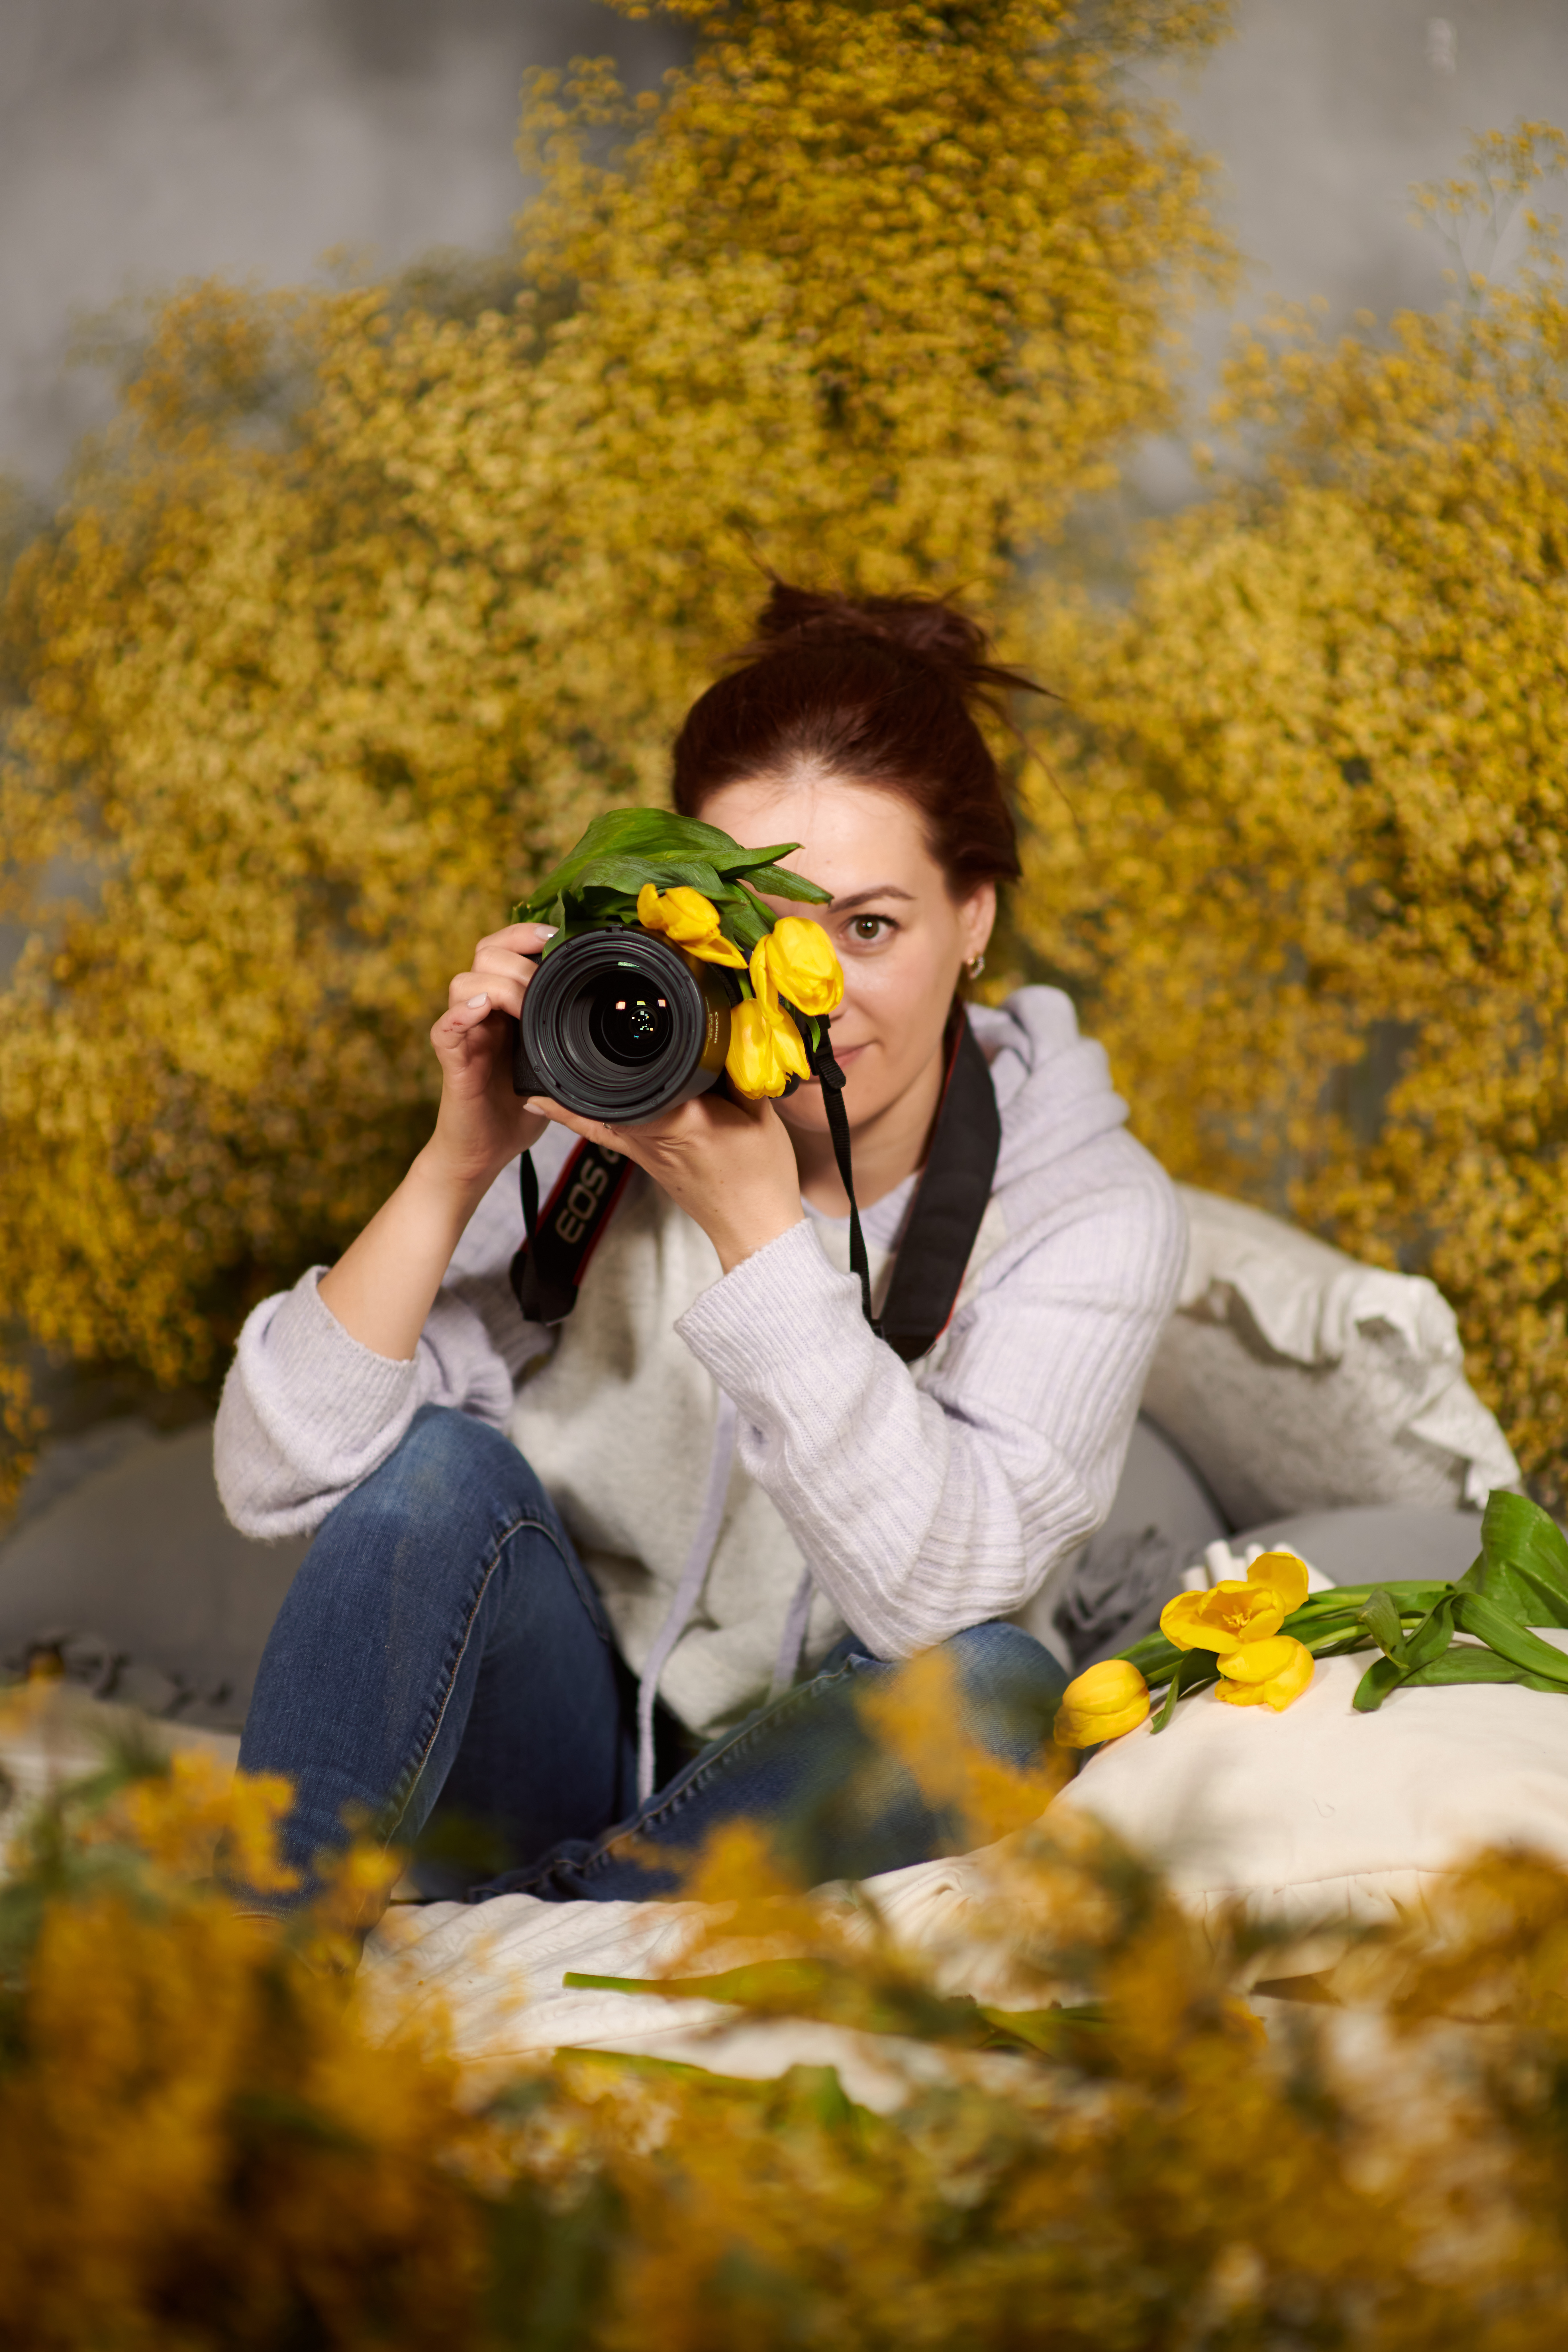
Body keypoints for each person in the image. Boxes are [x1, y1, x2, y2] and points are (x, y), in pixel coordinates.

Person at [215, 585, 1186, 1914]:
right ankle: (250, 1972)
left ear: (973, 921)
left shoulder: (1086, 1207)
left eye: (869, 926)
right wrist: (458, 1162)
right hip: (549, 1725)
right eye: (761, 928)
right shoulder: (613, 1099)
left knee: (996, 1694)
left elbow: (936, 1595)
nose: (812, 989)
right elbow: (277, 1477)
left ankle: (546, 1911)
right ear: (680, 918)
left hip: (803, 1783)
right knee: (436, 1465)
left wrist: (749, 1220)